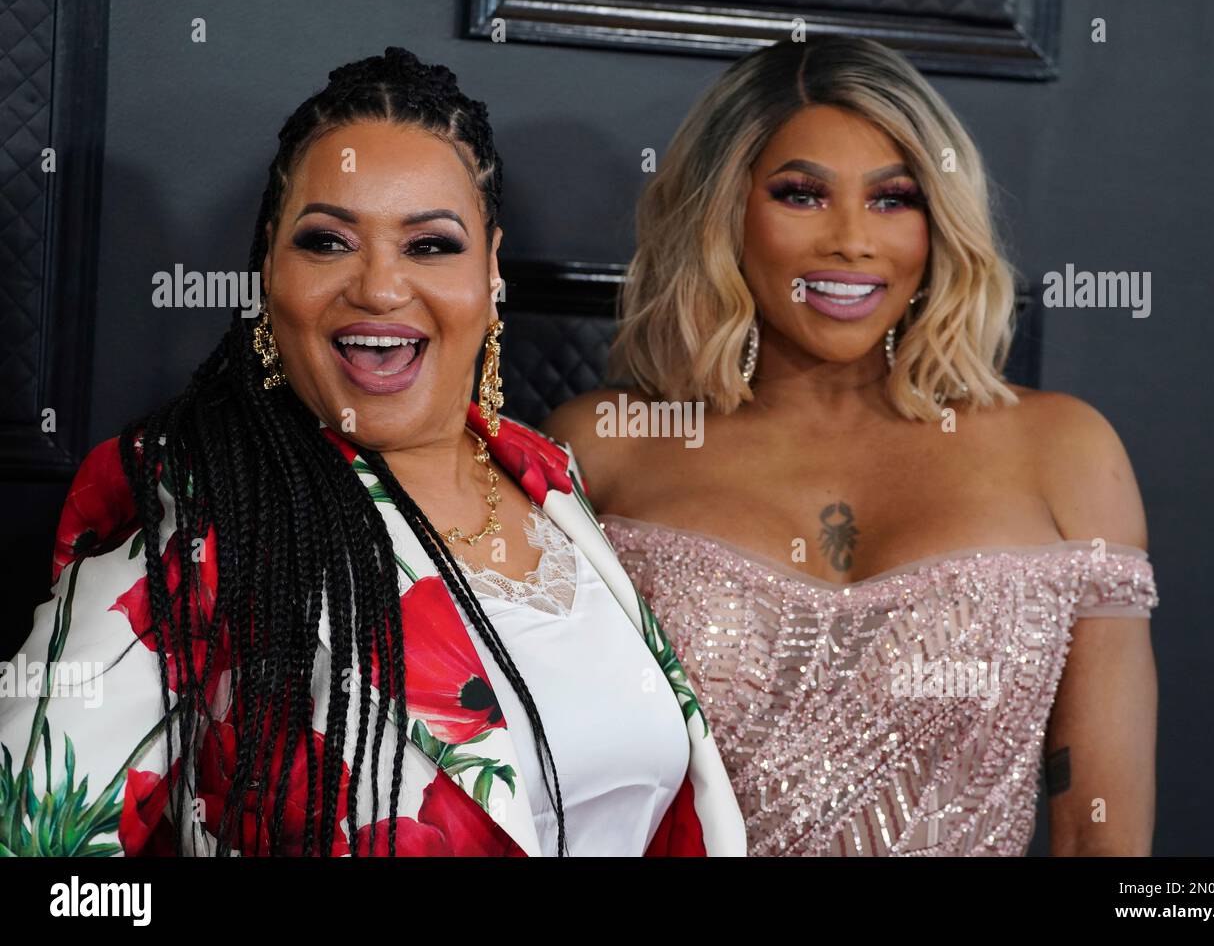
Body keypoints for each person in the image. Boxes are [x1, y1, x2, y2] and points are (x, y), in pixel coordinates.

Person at [0, 47, 744, 858]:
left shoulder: (551, 480)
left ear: (491, 271)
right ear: (269, 271)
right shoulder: (197, 524)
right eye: (326, 243)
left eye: (430, 245)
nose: (381, 288)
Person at [545, 36, 1159, 856]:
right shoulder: (601, 450)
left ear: (938, 222)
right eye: (802, 195)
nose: (852, 242)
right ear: (724, 211)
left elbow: (1098, 832)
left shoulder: (1068, 453)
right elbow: (553, 790)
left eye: (892, 199)